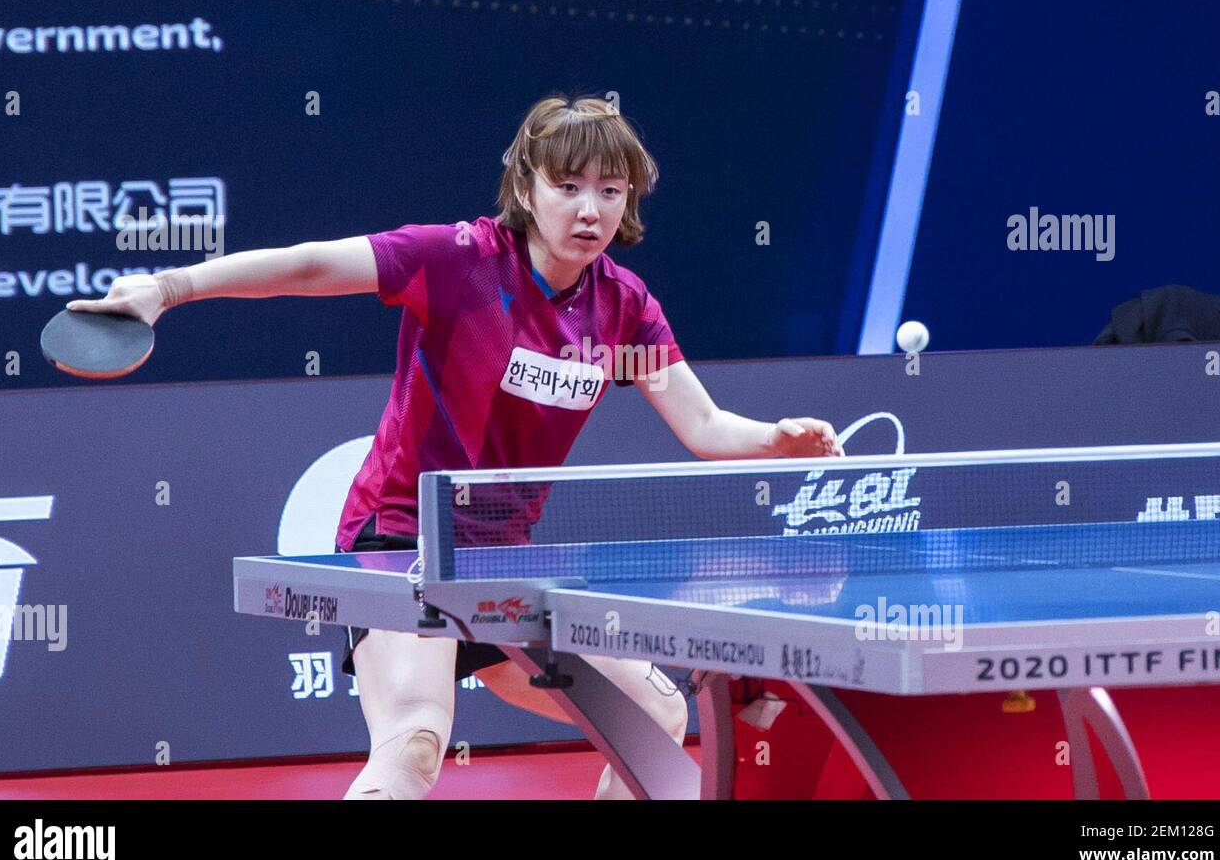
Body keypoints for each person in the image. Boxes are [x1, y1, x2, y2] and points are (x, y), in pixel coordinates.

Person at [67, 94, 843, 799]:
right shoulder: (457, 261)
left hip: (506, 564)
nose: (590, 209)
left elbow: (705, 427)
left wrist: (774, 439)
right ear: (528, 185)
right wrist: (167, 289)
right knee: (413, 745)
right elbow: (308, 265)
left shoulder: (622, 311)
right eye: (569, 186)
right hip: (404, 542)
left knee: (657, 714)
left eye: (612, 191)